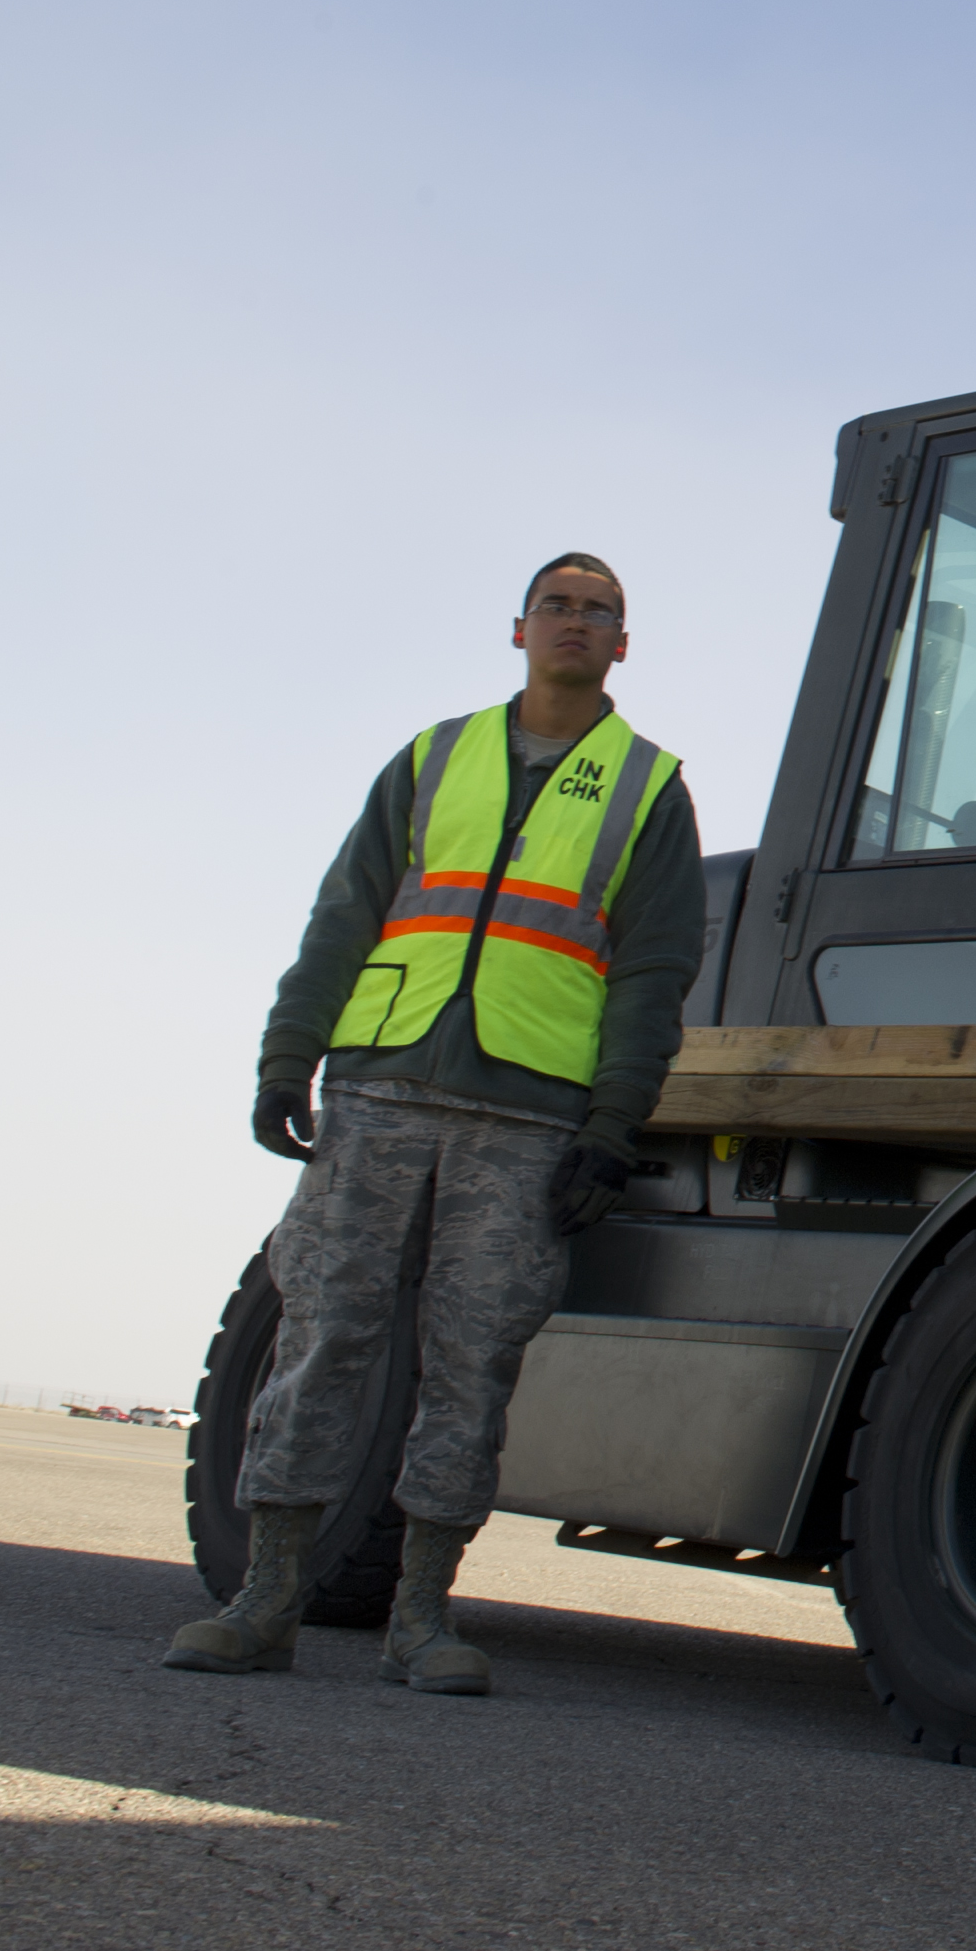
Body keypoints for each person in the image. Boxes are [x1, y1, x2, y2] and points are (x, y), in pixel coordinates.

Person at [169, 555, 705, 1694]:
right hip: (380, 1092)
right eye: (557, 605)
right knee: (323, 1342)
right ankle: (266, 1600)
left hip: (526, 1118)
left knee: (474, 1365)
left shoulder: (649, 789)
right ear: (517, 629)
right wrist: (288, 1055)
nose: (575, 621)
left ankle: (421, 1618)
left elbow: (654, 975)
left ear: (625, 646)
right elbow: (344, 914)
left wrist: (613, 1128)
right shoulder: (432, 758)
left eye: (599, 610)